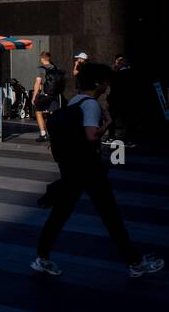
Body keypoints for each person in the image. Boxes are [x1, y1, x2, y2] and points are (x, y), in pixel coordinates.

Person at [32, 63, 163, 278]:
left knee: (60, 214)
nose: (107, 84)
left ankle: (42, 257)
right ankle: (135, 263)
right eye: (105, 81)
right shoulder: (91, 105)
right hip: (89, 169)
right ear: (97, 83)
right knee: (110, 216)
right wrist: (107, 123)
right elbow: (91, 135)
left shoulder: (75, 101)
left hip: (72, 168)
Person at [31, 50, 65, 143]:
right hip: (54, 95)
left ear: (42, 59)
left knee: (38, 112)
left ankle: (43, 134)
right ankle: (53, 133)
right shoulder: (55, 68)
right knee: (51, 113)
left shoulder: (41, 69)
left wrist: (34, 96)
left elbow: (38, 82)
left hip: (44, 95)